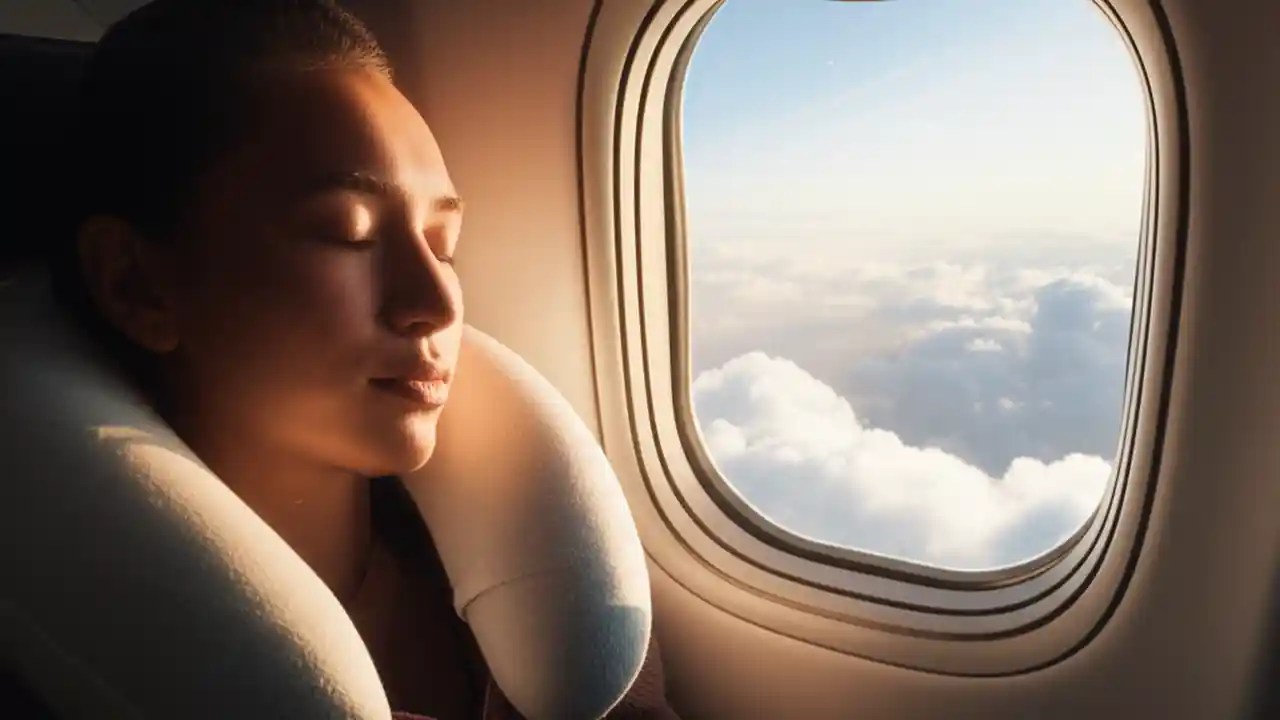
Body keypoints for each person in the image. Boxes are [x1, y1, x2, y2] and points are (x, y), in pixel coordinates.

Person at [43, 1, 680, 718]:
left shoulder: (557, 587)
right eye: (348, 233)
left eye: (445, 243)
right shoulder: (65, 666)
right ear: (139, 286)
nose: (437, 301)